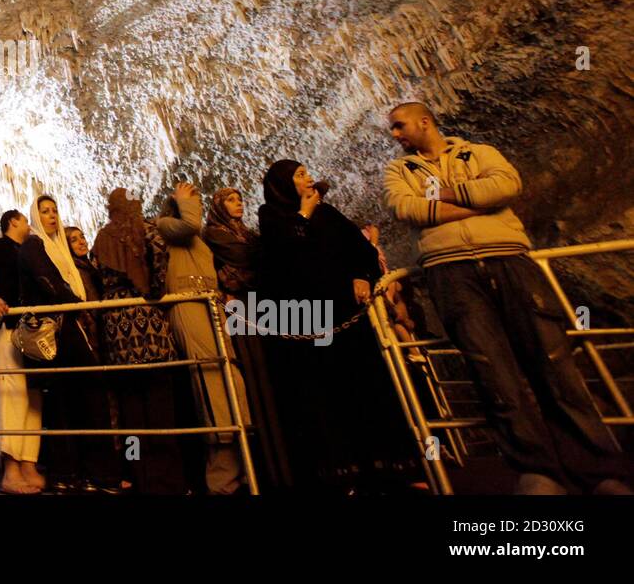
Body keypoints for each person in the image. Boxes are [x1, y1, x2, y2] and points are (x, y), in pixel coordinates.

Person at [385, 102, 632, 495]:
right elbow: (407, 207)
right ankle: (538, 471)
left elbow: (506, 186)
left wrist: (445, 198)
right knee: (492, 372)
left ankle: (597, 469)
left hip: (508, 260)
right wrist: (477, 201)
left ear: (424, 121)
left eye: (399, 126)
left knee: (553, 362)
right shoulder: (400, 171)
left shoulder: (478, 152)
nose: (395, 135)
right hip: (451, 271)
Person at [259, 159, 415, 493]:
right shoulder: (272, 217)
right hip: (308, 319)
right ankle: (340, 472)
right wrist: (303, 213)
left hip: (347, 314)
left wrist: (362, 274)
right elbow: (281, 254)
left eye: (306, 172)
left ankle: (388, 467)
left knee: (367, 384)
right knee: (326, 393)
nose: (309, 178)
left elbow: (362, 249)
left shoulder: (328, 215)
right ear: (284, 184)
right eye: (300, 175)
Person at [156, 181, 250, 494]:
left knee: (231, 376)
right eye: (188, 196)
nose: (194, 199)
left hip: (211, 303)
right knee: (210, 379)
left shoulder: (196, 235)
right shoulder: (167, 224)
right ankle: (220, 477)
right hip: (185, 302)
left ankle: (241, 462)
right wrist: (183, 201)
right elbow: (189, 224)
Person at [95, 188, 187, 494]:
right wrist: (154, 296)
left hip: (117, 331)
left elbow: (100, 275)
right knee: (161, 407)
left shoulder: (103, 237)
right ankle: (169, 478)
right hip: (149, 327)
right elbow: (160, 264)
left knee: (132, 412)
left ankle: (140, 473)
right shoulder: (148, 231)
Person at [25, 194, 117, 494]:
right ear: (35, 217)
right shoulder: (34, 245)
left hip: (72, 328)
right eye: (45, 211)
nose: (51, 216)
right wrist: (76, 302)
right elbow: (47, 280)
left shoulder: (60, 249)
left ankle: (89, 472)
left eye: (54, 210)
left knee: (81, 400)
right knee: (71, 401)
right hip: (60, 330)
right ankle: (72, 472)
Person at [202, 188, 293, 491]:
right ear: (218, 206)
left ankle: (281, 464)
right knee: (254, 382)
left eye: (240, 199)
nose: (238, 203)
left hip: (259, 306)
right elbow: (245, 256)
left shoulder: (246, 233)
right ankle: (261, 465)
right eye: (231, 199)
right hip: (240, 311)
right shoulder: (215, 233)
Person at [0, 209, 42, 494]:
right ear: (13, 222)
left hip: (31, 330)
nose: (29, 224)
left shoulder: (28, 250)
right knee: (13, 394)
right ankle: (11, 470)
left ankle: (28, 462)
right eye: (25, 220)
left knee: (33, 397)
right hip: (7, 327)